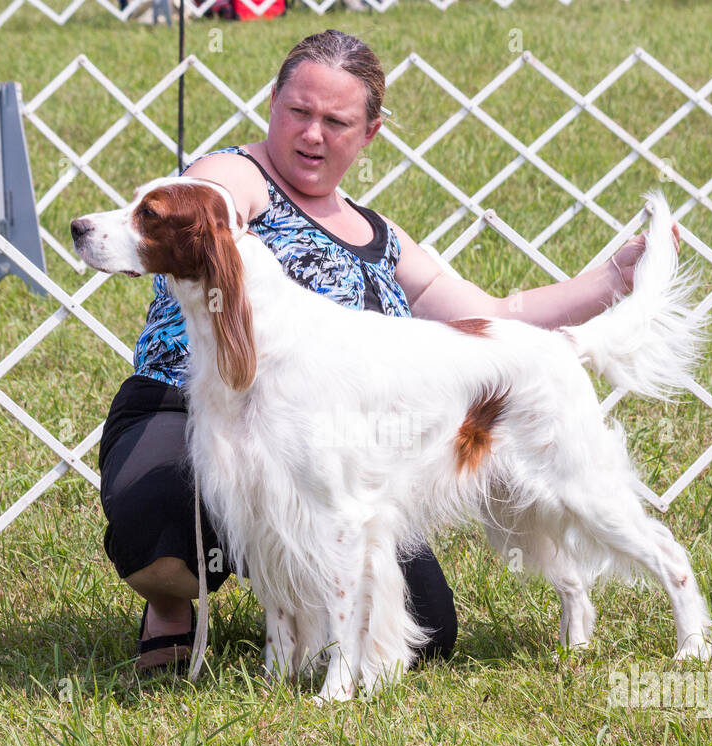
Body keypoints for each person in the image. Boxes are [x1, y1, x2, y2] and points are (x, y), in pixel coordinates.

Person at [98, 29, 682, 673]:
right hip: (179, 408)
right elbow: (213, 197)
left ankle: (320, 642)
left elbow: (494, 317)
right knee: (154, 508)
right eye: (298, 111)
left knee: (430, 629)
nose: (312, 134)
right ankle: (175, 609)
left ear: (370, 133)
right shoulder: (237, 184)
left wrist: (613, 278)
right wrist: (211, 210)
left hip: (331, 442)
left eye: (336, 120)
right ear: (271, 103)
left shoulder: (381, 237)